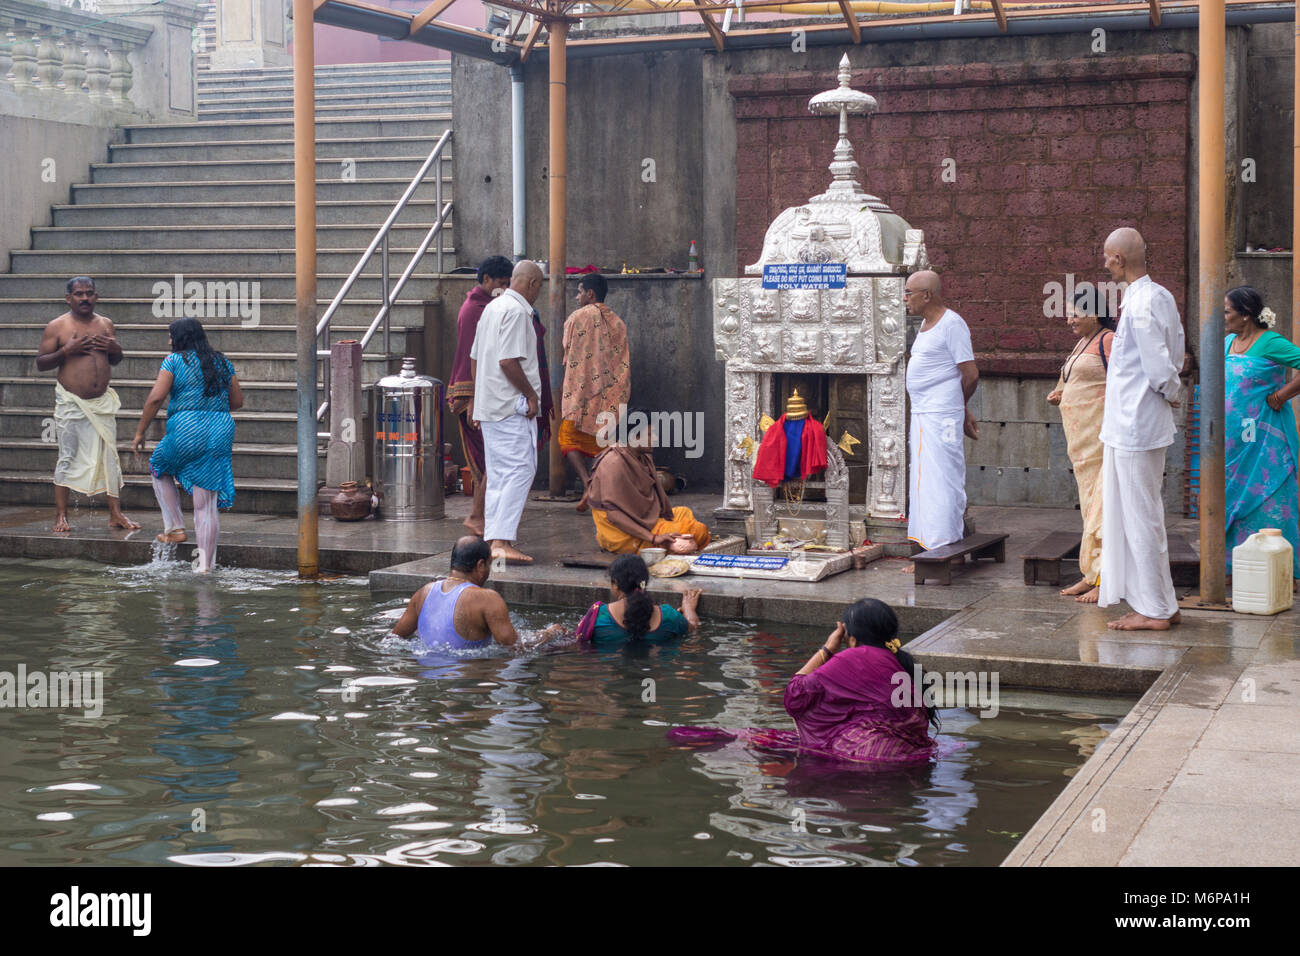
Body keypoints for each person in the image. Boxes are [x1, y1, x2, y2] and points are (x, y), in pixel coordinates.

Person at [666, 598, 937, 764]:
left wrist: (828, 648)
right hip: (911, 754)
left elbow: (795, 695)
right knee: (770, 741)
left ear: (850, 636)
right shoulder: (897, 660)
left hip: (867, 758)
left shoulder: (852, 657)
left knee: (754, 742)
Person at [1097, 227, 1184, 631]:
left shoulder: (1144, 301)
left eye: (1106, 257)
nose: (1103, 264)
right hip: (1132, 421)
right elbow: (1177, 348)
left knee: (1140, 517)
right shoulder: (1157, 295)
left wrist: (1171, 391)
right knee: (1140, 513)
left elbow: (1159, 364)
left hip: (1136, 423)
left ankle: (1154, 609)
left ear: (1119, 258)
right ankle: (1159, 601)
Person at [131, 318, 241, 573]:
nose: (169, 341)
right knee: (207, 505)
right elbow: (237, 401)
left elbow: (156, 398)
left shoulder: (174, 361)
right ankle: (205, 567)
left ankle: (175, 528)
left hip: (186, 428)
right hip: (220, 430)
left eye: (171, 336)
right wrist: (212, 406)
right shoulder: (223, 362)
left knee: (159, 465)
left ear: (179, 338)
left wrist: (140, 432)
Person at [36, 276, 140, 532]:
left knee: (109, 457)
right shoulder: (56, 326)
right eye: (79, 294)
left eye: (89, 293)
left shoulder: (105, 324)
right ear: (68, 298)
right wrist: (66, 351)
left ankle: (116, 514)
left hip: (101, 404)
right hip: (72, 403)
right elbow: (41, 363)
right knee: (67, 457)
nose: (85, 298)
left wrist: (115, 349)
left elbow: (115, 360)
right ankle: (61, 516)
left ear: (96, 296)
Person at [1222, 285, 1300, 582]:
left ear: (1245, 315)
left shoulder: (1269, 342)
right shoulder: (1229, 341)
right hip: (1234, 439)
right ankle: (1233, 566)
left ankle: (1282, 573)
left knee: (1269, 500)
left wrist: (1281, 395)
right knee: (1231, 500)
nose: (1224, 316)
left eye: (1228, 311)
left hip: (1265, 438)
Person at [471, 260, 546, 565]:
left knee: (500, 473)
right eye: (539, 286)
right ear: (532, 284)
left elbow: (474, 358)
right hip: (510, 405)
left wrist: (479, 399)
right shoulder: (516, 312)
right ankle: (500, 540)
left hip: (491, 404)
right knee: (520, 469)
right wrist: (531, 396)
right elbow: (507, 361)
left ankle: (494, 538)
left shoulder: (492, 307)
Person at [1047, 289, 1116, 603]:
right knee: (1090, 508)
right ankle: (1091, 574)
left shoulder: (1109, 340)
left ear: (1094, 314)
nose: (1068, 319)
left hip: (1103, 440)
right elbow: (1072, 379)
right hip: (1081, 444)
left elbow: (1124, 382)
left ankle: (1107, 578)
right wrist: (1060, 392)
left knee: (1105, 509)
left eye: (1075, 313)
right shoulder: (1081, 343)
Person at [903, 269, 979, 551]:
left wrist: (960, 409)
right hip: (924, 413)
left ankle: (946, 547)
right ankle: (928, 546)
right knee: (923, 478)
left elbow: (970, 374)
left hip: (942, 414)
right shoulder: (925, 325)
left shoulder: (952, 324)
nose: (904, 298)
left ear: (927, 294)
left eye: (909, 292)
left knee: (944, 478)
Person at [391, 535, 563, 649]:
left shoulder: (423, 592)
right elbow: (514, 646)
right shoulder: (487, 598)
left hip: (426, 673)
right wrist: (549, 633)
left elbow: (394, 638)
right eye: (489, 564)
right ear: (480, 565)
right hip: (470, 678)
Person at [448, 255, 513, 536]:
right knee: (490, 461)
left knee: (494, 460)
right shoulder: (475, 310)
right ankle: (477, 516)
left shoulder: (487, 306)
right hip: (474, 395)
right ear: (486, 280)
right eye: (501, 283)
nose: (505, 288)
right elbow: (471, 356)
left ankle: (484, 516)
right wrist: (474, 398)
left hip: (487, 394)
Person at [586, 426, 709, 555]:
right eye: (650, 434)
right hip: (621, 534)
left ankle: (675, 545)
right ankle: (666, 545)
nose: (656, 439)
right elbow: (614, 516)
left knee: (684, 513)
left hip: (643, 519)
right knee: (697, 530)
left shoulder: (643, 456)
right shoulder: (612, 463)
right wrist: (654, 538)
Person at [560, 273, 630, 501]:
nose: (577, 297)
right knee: (602, 444)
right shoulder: (619, 322)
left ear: (590, 294)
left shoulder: (578, 317)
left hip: (581, 393)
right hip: (611, 393)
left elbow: (567, 349)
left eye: (579, 292)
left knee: (567, 439)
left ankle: (589, 482)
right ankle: (600, 487)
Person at [575, 554, 702, 642]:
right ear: (645, 582)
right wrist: (689, 608)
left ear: (616, 584)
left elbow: (578, 640)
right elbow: (693, 628)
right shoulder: (669, 616)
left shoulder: (598, 616)